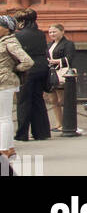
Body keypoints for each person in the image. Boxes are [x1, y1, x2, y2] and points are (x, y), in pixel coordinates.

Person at [0, 14, 33, 172]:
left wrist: (12, 70)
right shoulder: (3, 41)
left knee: (4, 117)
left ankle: (4, 149)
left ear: (7, 29)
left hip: (4, 83)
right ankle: (8, 147)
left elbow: (27, 61)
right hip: (3, 82)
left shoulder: (10, 41)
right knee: (3, 116)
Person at [14, 8, 51, 142]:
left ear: (22, 21)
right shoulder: (41, 34)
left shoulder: (18, 36)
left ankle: (22, 134)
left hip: (27, 69)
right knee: (38, 99)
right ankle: (41, 132)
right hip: (42, 68)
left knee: (23, 101)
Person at [46, 23, 78, 133]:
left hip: (62, 73)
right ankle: (58, 123)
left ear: (62, 31)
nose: (52, 34)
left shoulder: (68, 44)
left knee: (61, 100)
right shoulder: (49, 45)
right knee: (52, 100)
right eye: (50, 32)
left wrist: (58, 61)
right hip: (51, 74)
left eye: (54, 31)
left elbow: (70, 57)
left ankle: (66, 123)